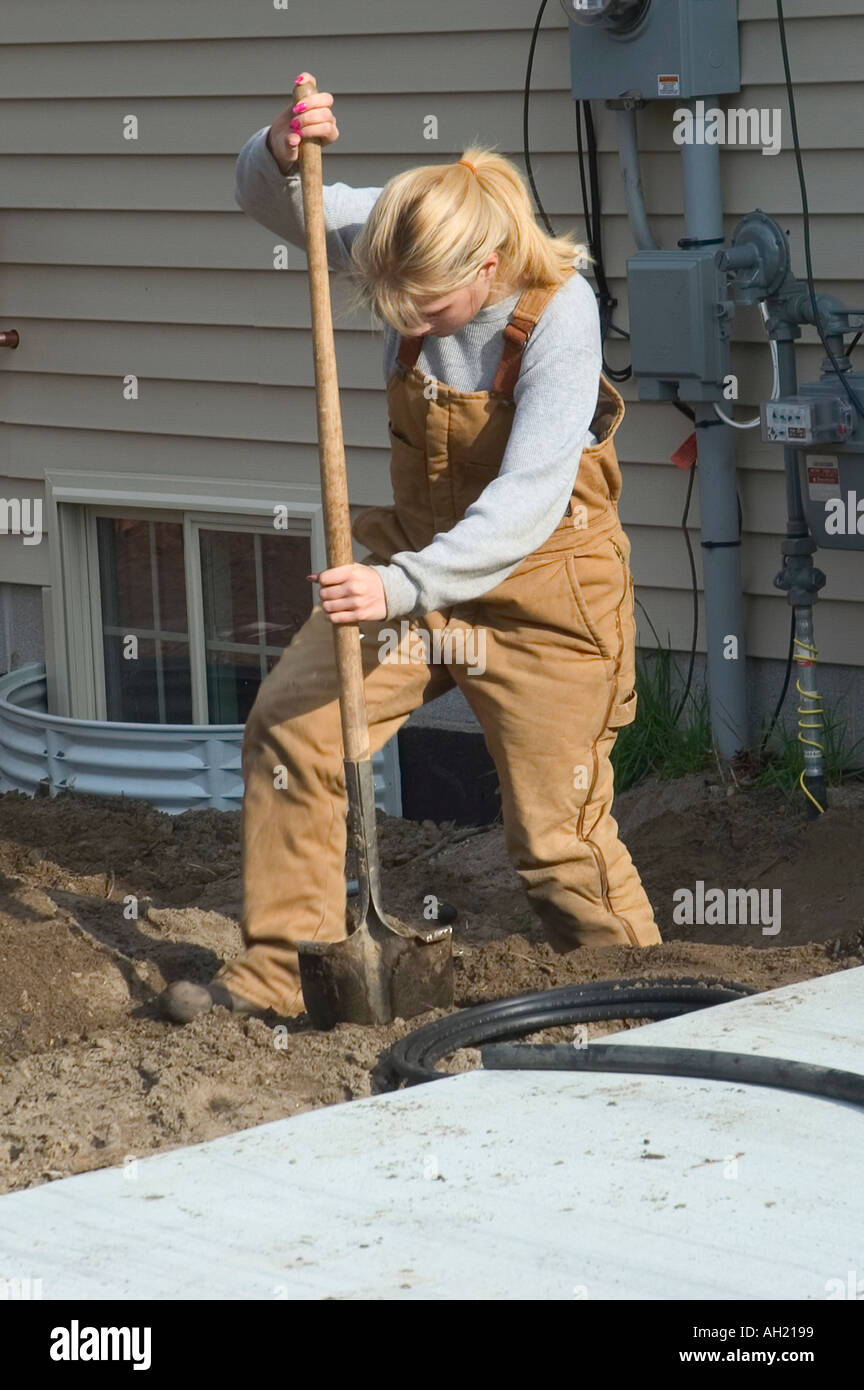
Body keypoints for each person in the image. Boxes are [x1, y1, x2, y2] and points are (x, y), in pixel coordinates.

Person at [161, 73, 661, 1024]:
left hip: (544, 588)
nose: (406, 327)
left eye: (426, 312)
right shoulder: (401, 231)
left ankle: (640, 1006)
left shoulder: (562, 317)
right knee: (295, 735)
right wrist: (278, 148)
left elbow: (522, 505)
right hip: (415, 562)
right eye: (390, 306)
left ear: (489, 266)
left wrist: (396, 587)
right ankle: (280, 977)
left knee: (556, 835)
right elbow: (278, 202)